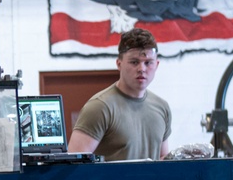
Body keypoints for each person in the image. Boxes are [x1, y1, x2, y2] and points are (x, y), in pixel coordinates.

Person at [66, 27, 171, 161]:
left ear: (156, 65)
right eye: (134, 62)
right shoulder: (100, 107)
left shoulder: (162, 107)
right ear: (119, 64)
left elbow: (162, 158)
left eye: (148, 63)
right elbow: (73, 165)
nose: (142, 69)